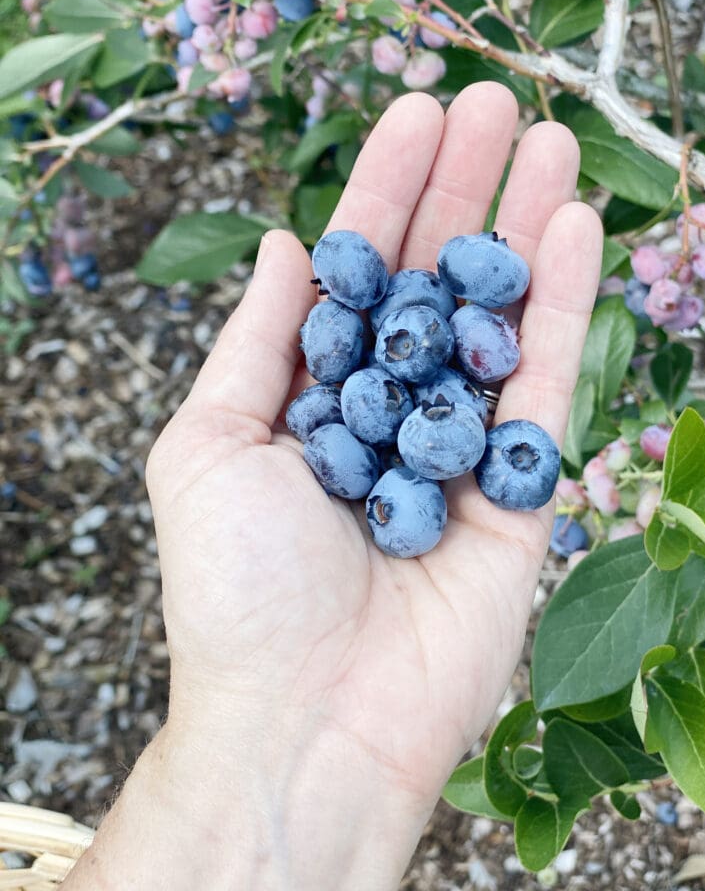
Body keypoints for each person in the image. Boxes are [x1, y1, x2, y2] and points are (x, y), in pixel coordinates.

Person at [61, 82, 602, 890]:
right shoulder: (370, 393)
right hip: (391, 492)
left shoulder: (407, 380)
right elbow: (386, 389)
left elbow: (412, 379)